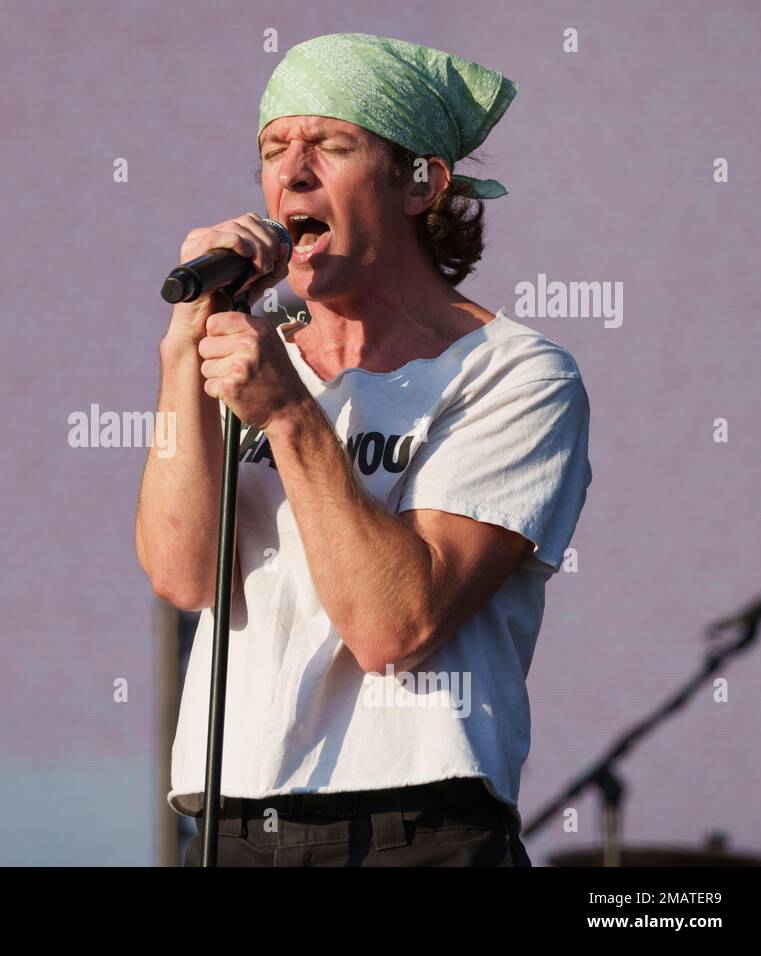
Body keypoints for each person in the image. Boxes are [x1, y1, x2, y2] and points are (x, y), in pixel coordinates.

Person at [134, 33, 592, 866]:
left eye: (332, 146)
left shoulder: (516, 376)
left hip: (415, 831)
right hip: (235, 825)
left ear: (423, 185)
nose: (292, 173)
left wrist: (291, 418)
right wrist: (181, 348)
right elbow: (182, 573)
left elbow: (395, 625)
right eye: (275, 147)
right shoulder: (253, 359)